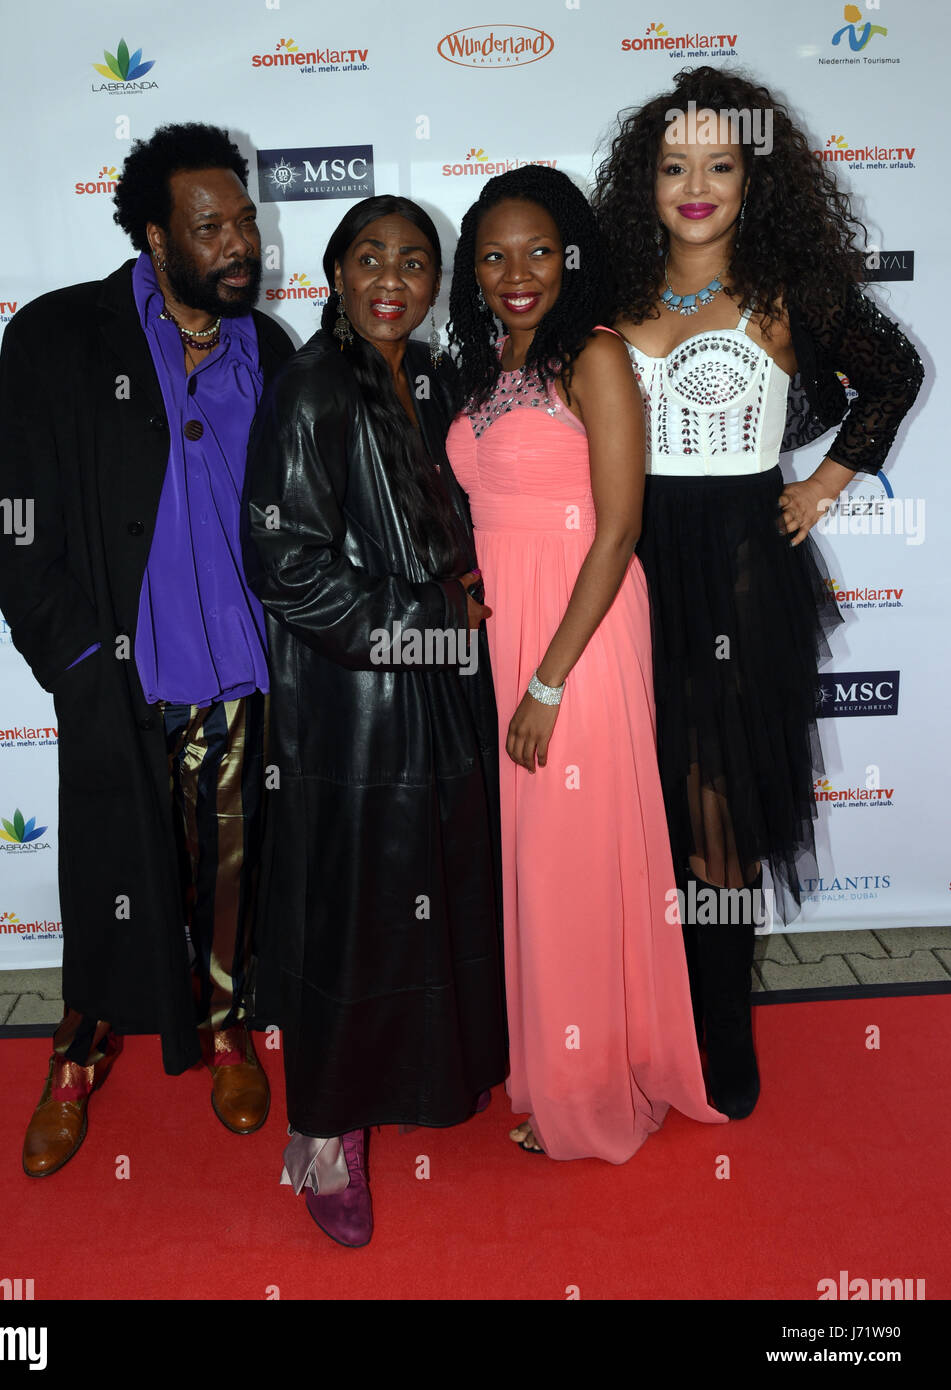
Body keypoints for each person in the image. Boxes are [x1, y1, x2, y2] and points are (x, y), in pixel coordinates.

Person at [591, 66, 924, 1117]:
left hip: (737, 573)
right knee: (622, 809)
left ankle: (715, 1037)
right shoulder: (608, 290)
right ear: (642, 181)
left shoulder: (787, 290)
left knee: (713, 817)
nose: (695, 184)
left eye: (719, 164)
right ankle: (628, 1028)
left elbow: (893, 370)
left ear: (753, 176)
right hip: (623, 565)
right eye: (673, 164)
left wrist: (825, 483)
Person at [0, 123, 294, 1177]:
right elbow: (14, 514)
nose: (239, 241)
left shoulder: (273, 349)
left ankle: (224, 1029)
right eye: (211, 225)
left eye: (244, 219)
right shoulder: (59, 335)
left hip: (246, 671)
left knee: (233, 872)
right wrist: (70, 661)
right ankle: (77, 1052)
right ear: (156, 237)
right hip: (120, 670)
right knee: (110, 871)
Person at [445, 166, 724, 1161]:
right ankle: (552, 1067)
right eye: (491, 254)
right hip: (507, 633)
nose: (514, 272)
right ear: (469, 269)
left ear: (568, 255)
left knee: (570, 868)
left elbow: (617, 530)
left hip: (578, 637)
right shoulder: (483, 363)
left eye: (534, 251)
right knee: (536, 866)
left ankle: (591, 1088)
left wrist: (548, 680)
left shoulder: (594, 357)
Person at [243, 195, 507, 1246]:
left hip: (438, 686)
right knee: (351, 923)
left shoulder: (432, 374)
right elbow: (288, 571)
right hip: (353, 706)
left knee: (428, 898)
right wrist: (430, 613)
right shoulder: (307, 389)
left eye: (413, 262)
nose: (392, 279)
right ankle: (322, 1140)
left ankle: (421, 1079)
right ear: (335, 272)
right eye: (369, 260)